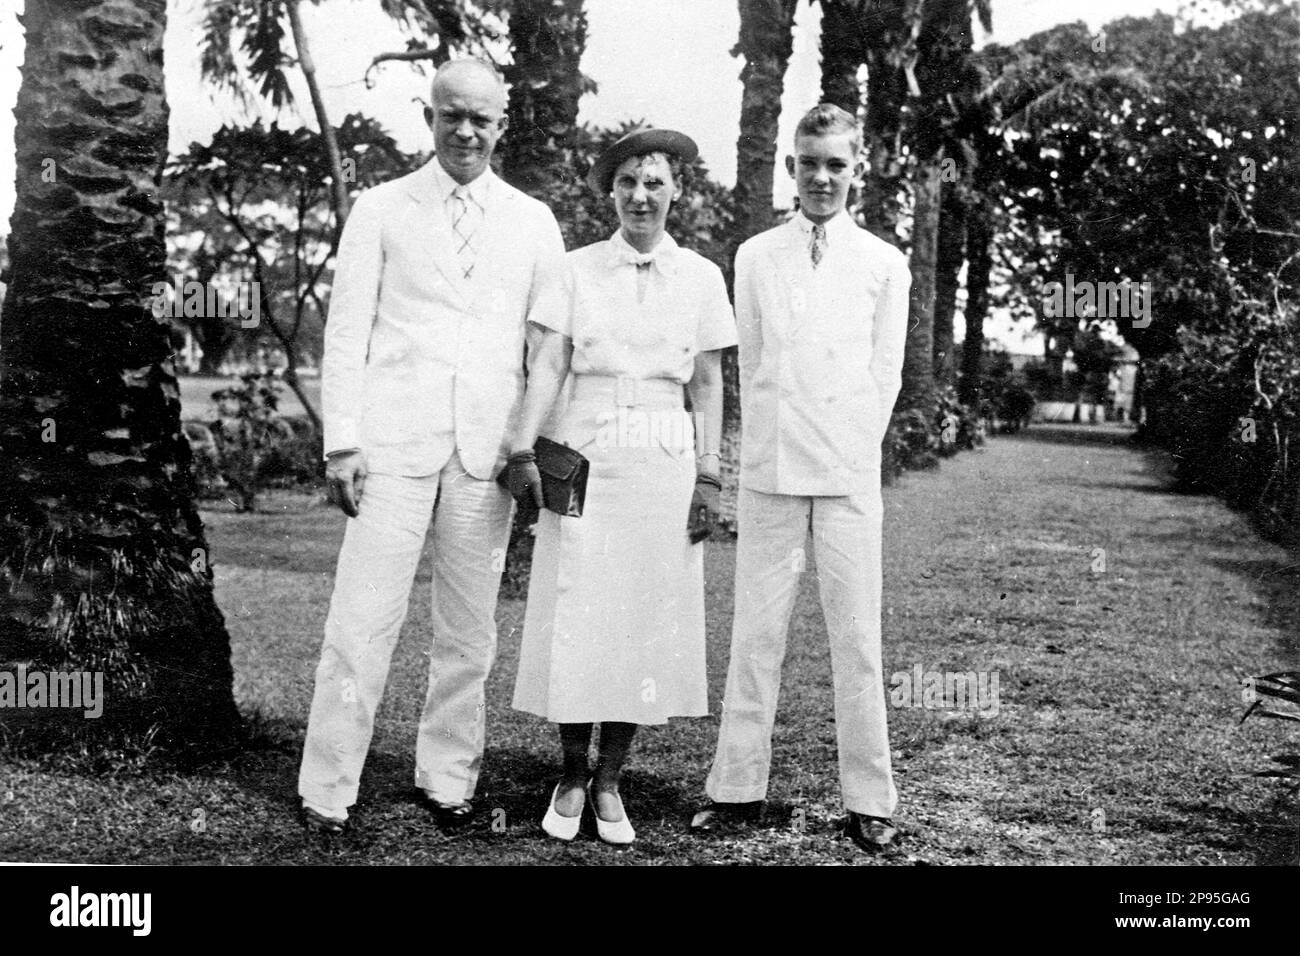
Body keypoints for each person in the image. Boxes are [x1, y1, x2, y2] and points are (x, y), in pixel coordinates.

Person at [297, 58, 566, 834]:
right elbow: (345, 334)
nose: (467, 131)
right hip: (390, 450)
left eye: (481, 118)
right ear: (430, 118)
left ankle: (448, 778)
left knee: (470, 629)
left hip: (486, 458)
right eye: (453, 116)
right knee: (360, 622)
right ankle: (327, 786)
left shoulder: (532, 220)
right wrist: (341, 443)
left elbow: (548, 351)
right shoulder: (383, 208)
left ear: (501, 125)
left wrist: (533, 451)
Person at [504, 128, 736, 845]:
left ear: (676, 192)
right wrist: (521, 447)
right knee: (581, 609)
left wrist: (708, 474)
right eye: (628, 181)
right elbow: (548, 365)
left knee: (640, 614)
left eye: (655, 182)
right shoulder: (575, 271)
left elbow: (707, 381)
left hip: (662, 458)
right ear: (611, 191)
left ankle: (611, 780)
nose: (641, 195)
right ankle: (571, 773)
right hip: (584, 448)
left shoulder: (700, 277)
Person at [690, 103, 911, 852]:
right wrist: (766, 452)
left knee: (857, 639)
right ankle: (736, 789)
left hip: (848, 478)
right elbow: (751, 366)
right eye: (809, 163)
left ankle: (870, 800)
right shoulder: (754, 256)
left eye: (836, 165)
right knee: (756, 637)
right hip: (772, 474)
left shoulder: (885, 263)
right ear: (791, 168)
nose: (822, 178)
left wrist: (852, 455)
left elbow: (886, 376)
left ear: (858, 170)